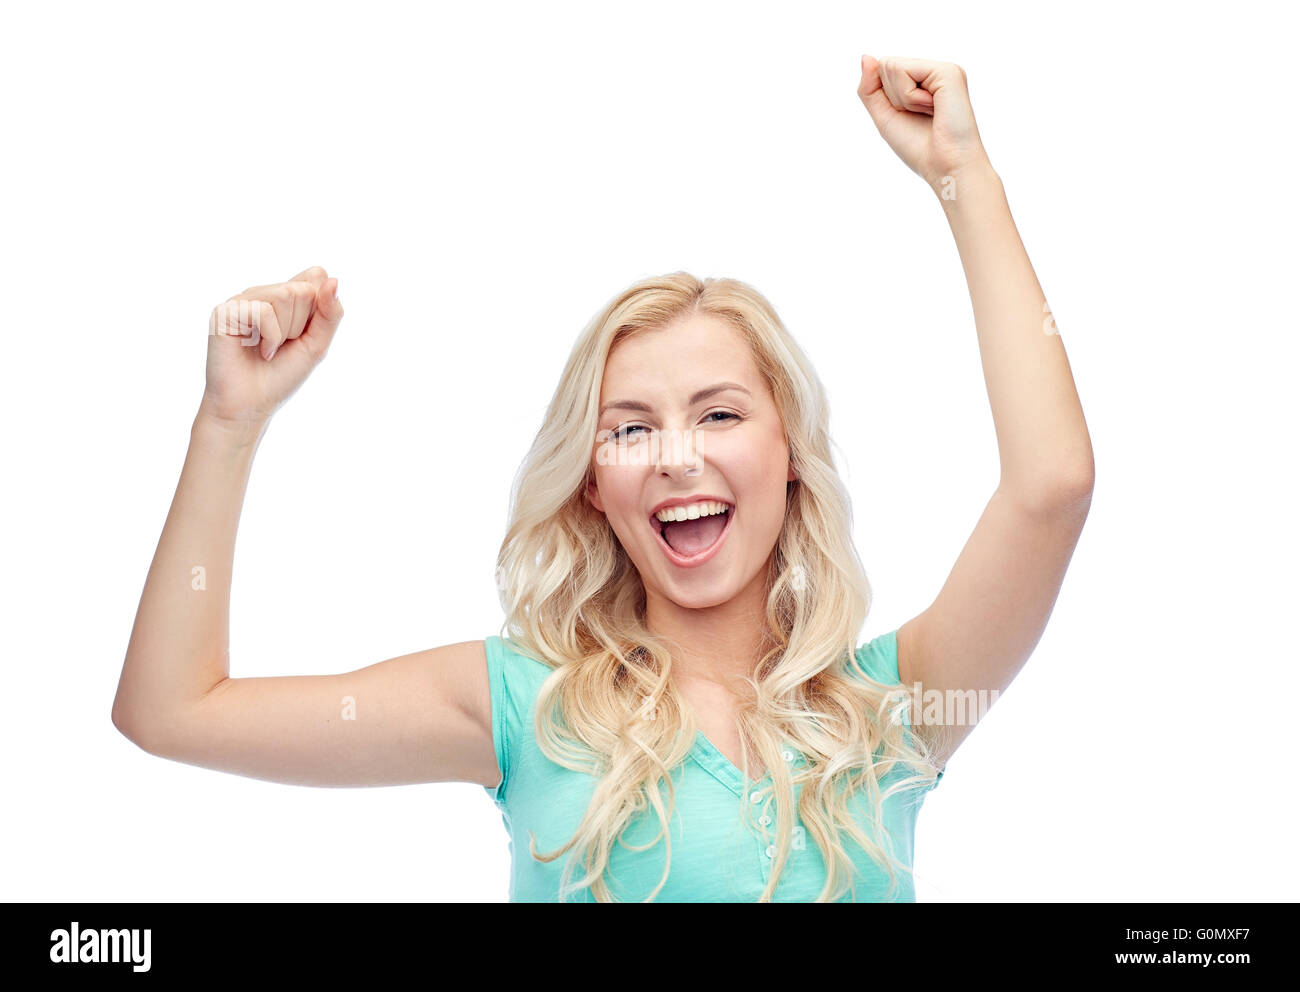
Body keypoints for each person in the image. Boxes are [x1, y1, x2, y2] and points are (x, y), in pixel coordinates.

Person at [112, 55, 1094, 902]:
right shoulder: (522, 705)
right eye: (628, 428)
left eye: (718, 413)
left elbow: (1051, 483)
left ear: (788, 454)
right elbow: (172, 710)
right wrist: (228, 423)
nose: (675, 454)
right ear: (592, 482)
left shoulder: (895, 706)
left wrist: (963, 174)